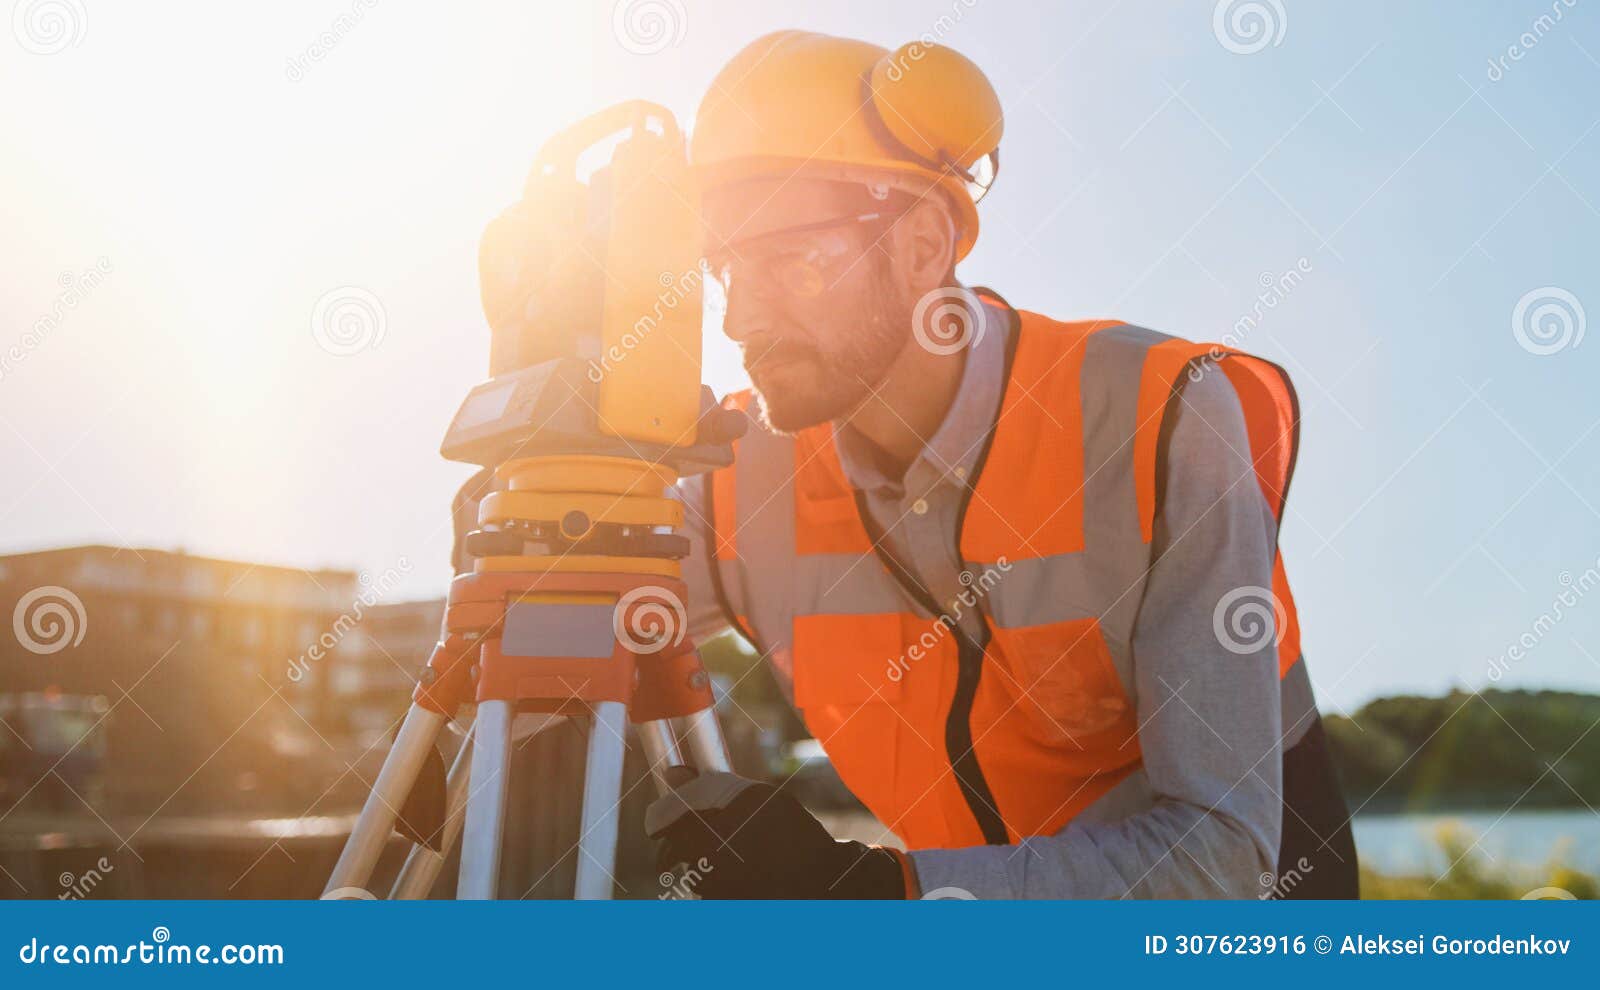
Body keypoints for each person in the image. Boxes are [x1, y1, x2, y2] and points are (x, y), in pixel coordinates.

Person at [638, 30, 1359, 900]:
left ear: (922, 245)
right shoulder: (735, 484)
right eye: (724, 269)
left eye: (789, 259)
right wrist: (558, 473)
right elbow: (545, 632)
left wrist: (873, 898)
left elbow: (1225, 865)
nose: (739, 321)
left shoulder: (1154, 419)